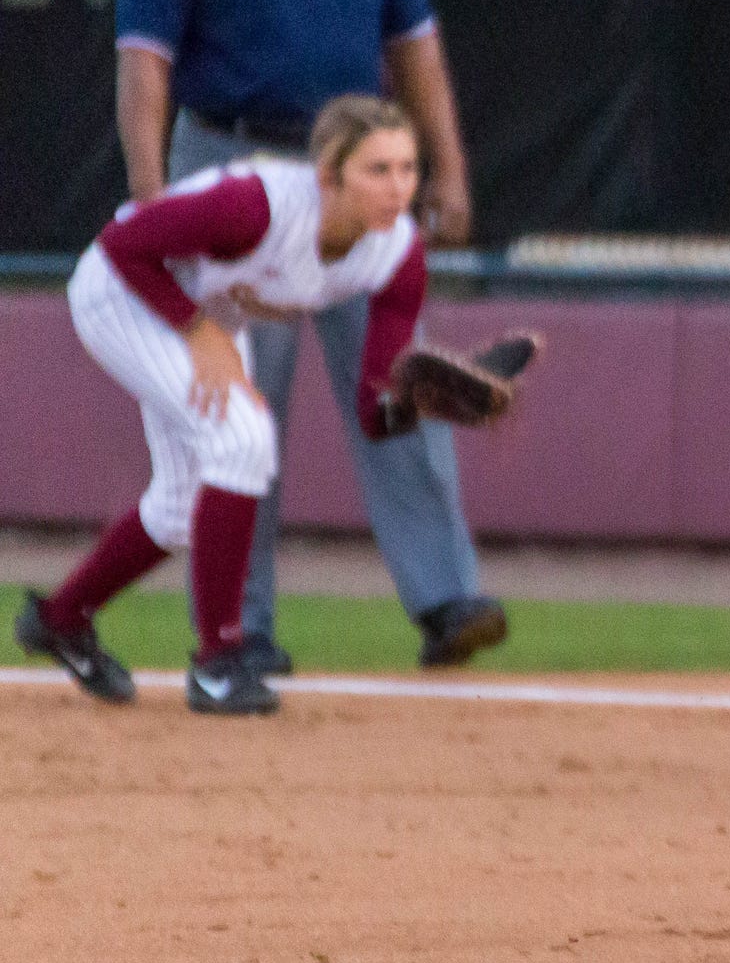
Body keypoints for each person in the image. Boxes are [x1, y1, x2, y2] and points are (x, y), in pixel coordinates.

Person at [110, 0, 507, 674]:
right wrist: (151, 198)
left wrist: (446, 171)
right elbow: (144, 66)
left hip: (355, 170)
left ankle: (447, 598)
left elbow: (417, 49)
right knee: (243, 402)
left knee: (399, 377)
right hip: (239, 161)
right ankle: (239, 626)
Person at [17, 98, 444, 715]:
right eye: (376, 170)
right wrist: (198, 331)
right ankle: (218, 663)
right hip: (123, 292)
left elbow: (374, 408)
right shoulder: (260, 204)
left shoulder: (398, 253)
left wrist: (415, 406)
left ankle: (60, 619)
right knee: (243, 439)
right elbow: (124, 243)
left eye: (407, 168)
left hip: (204, 311)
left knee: (184, 505)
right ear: (327, 173)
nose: (397, 187)